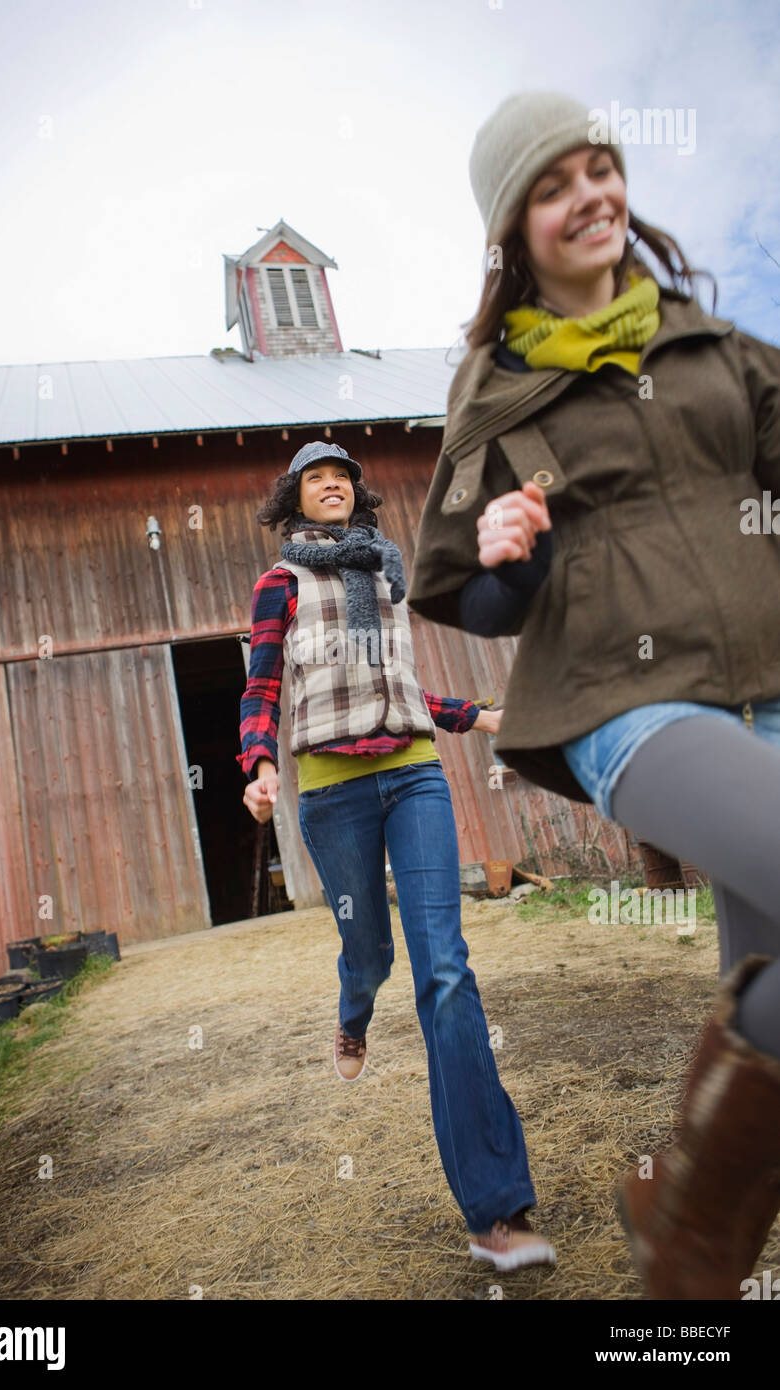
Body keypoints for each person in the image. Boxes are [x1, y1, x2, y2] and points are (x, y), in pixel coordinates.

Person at [406, 91, 780, 1299]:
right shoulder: (495, 394)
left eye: (601, 168)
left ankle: (682, 1241)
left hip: (771, 677)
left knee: (769, 1002)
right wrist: (507, 557)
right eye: (555, 183)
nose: (592, 196)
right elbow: (459, 590)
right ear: (513, 228)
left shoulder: (713, 351)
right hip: (630, 701)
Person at [237, 439, 555, 1271]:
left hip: (414, 777)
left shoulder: (384, 575)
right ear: (295, 501)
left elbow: (401, 691)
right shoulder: (282, 585)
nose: (333, 483)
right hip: (335, 793)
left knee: (445, 969)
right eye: (316, 477)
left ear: (357, 495)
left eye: (343, 474)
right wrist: (261, 765)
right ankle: (353, 1008)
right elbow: (264, 683)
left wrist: (477, 714)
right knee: (369, 954)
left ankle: (498, 1210)